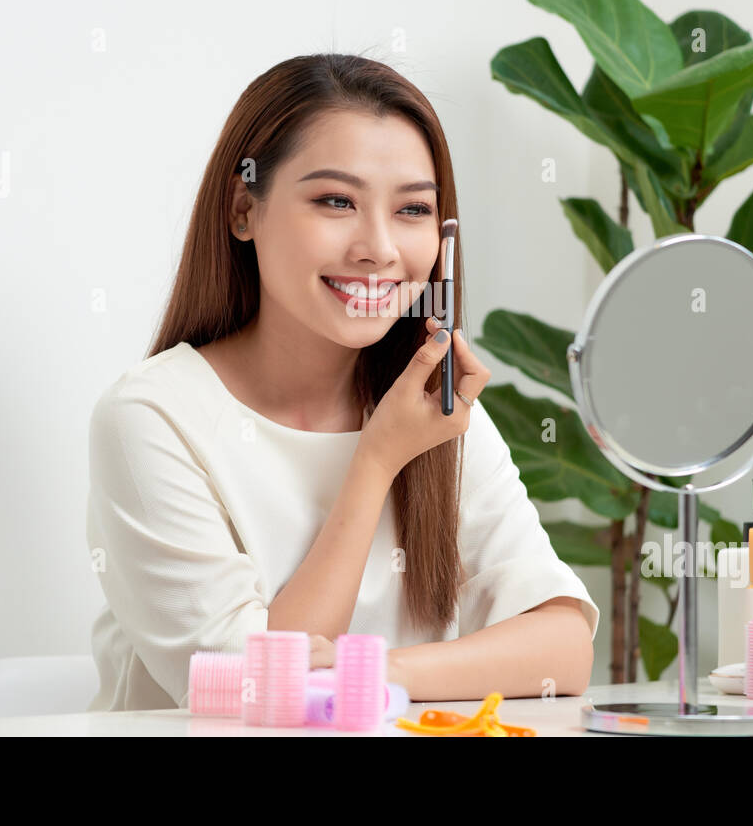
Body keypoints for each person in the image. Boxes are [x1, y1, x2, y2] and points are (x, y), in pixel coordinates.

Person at [86, 53, 599, 712]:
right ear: (244, 209)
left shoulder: (436, 411)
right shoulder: (151, 418)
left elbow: (562, 646)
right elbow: (257, 689)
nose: (379, 248)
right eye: (336, 201)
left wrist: (371, 672)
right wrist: (377, 457)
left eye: (413, 209)